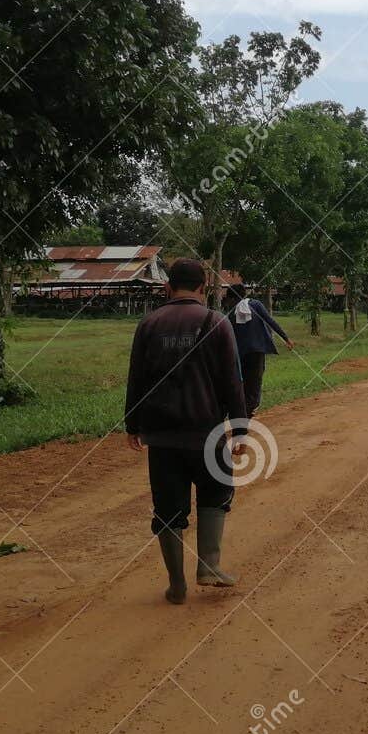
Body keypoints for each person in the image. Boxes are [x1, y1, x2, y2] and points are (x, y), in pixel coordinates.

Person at [125, 258, 247, 604]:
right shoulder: (216, 322)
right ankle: (208, 566)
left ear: (167, 287)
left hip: (161, 436)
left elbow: (136, 378)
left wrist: (132, 424)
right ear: (203, 288)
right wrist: (239, 430)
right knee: (216, 493)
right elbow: (232, 382)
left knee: (167, 509)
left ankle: (176, 584)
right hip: (207, 433)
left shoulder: (148, 324)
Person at [224, 281, 294, 417]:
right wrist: (286, 338)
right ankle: (247, 413)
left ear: (232, 298)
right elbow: (270, 321)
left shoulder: (231, 314)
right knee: (254, 384)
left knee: (242, 383)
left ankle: (242, 412)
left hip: (240, 355)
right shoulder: (255, 305)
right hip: (257, 352)